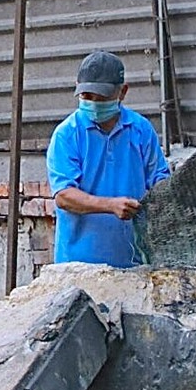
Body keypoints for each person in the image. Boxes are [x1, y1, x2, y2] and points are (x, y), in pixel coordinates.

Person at [45, 50, 171, 267]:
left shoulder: (140, 130)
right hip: (77, 265)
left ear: (122, 92)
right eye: (86, 96)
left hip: (133, 261)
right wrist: (110, 205)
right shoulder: (67, 134)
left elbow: (160, 179)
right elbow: (64, 196)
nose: (93, 103)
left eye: (101, 97)